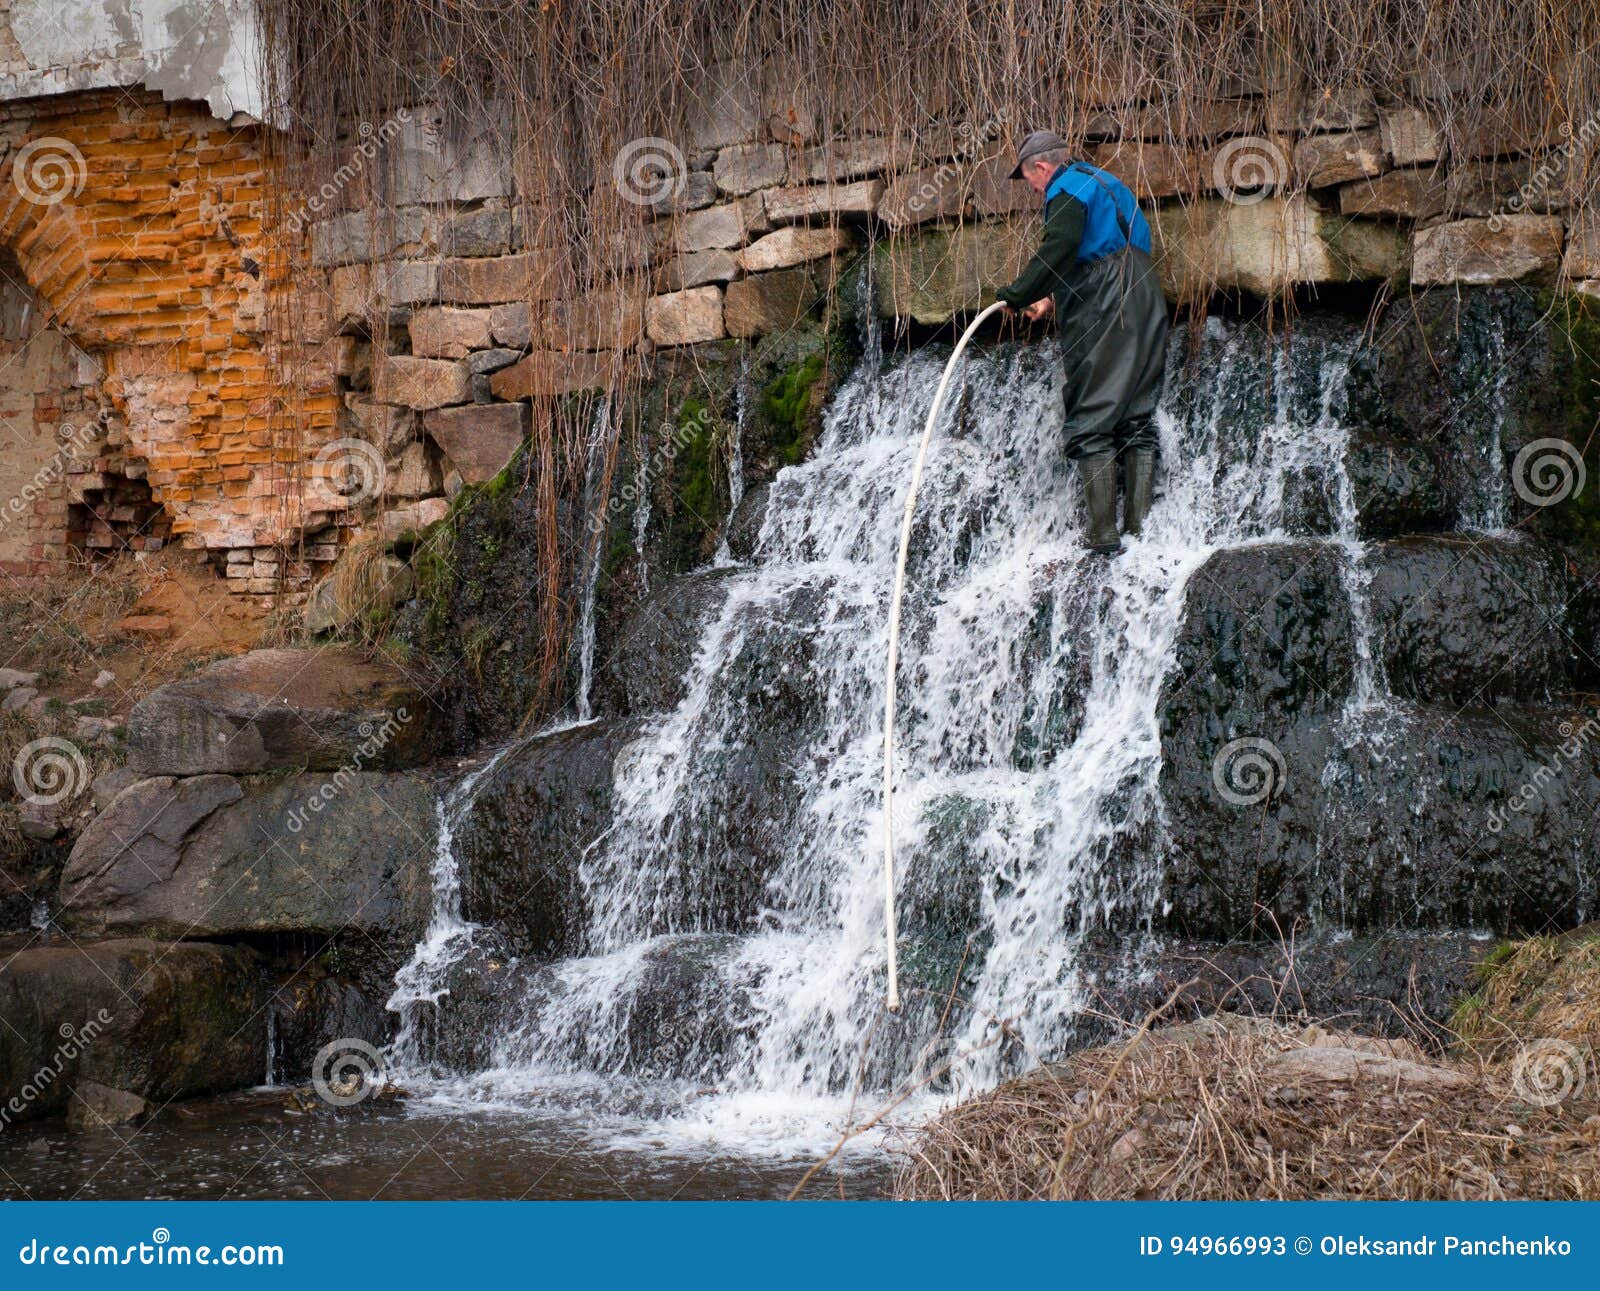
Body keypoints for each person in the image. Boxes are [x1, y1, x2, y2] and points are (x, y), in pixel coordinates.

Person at [994, 130, 1169, 555]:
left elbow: (1064, 245)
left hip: (1107, 299)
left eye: (1028, 179)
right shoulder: (1107, 183)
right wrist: (1051, 297)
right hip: (1144, 290)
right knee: (1136, 414)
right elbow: (1104, 251)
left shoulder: (1066, 188)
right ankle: (1140, 534)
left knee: (1092, 412)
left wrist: (1016, 294)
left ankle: (1103, 536)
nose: (1034, 190)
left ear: (1040, 166)